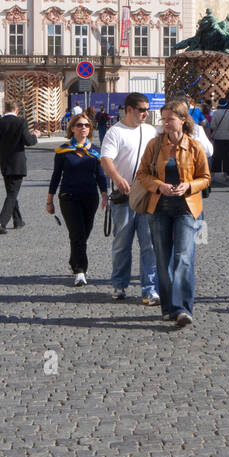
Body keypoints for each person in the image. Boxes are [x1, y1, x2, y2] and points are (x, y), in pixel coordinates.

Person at [136, 99, 211, 328]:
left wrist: (188, 186)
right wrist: (159, 185)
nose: (166, 123)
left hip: (186, 209)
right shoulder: (154, 145)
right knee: (162, 259)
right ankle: (168, 307)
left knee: (184, 257)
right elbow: (142, 175)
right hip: (158, 208)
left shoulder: (195, 146)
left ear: (183, 120)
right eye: (164, 119)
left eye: (170, 119)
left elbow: (206, 179)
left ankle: (182, 309)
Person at [100, 93, 160, 304]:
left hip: (147, 196)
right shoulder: (115, 132)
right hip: (123, 197)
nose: (146, 114)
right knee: (122, 243)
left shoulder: (151, 131)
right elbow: (106, 158)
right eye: (142, 110)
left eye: (147, 110)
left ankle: (150, 288)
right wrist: (117, 178)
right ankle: (119, 284)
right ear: (129, 109)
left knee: (149, 244)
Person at [46, 113, 109, 287]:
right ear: (72, 128)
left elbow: (101, 176)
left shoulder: (95, 151)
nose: (83, 128)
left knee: (84, 235)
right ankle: (80, 271)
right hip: (69, 197)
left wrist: (104, 194)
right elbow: (56, 176)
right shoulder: (63, 151)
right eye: (80, 125)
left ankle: (74, 260)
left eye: (87, 125)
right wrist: (49, 200)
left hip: (90, 198)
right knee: (77, 234)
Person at [0, 100, 36, 233]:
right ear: (16, 110)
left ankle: (18, 220)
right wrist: (36, 136)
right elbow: (28, 141)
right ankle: (1, 223)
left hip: (4, 161)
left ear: (5, 109)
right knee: (12, 194)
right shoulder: (21, 122)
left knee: (11, 192)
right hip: (17, 162)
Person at [206, 90, 229, 181]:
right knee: (228, 156)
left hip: (218, 137)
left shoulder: (216, 113)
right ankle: (227, 172)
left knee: (217, 155)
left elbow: (213, 125)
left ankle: (215, 171)